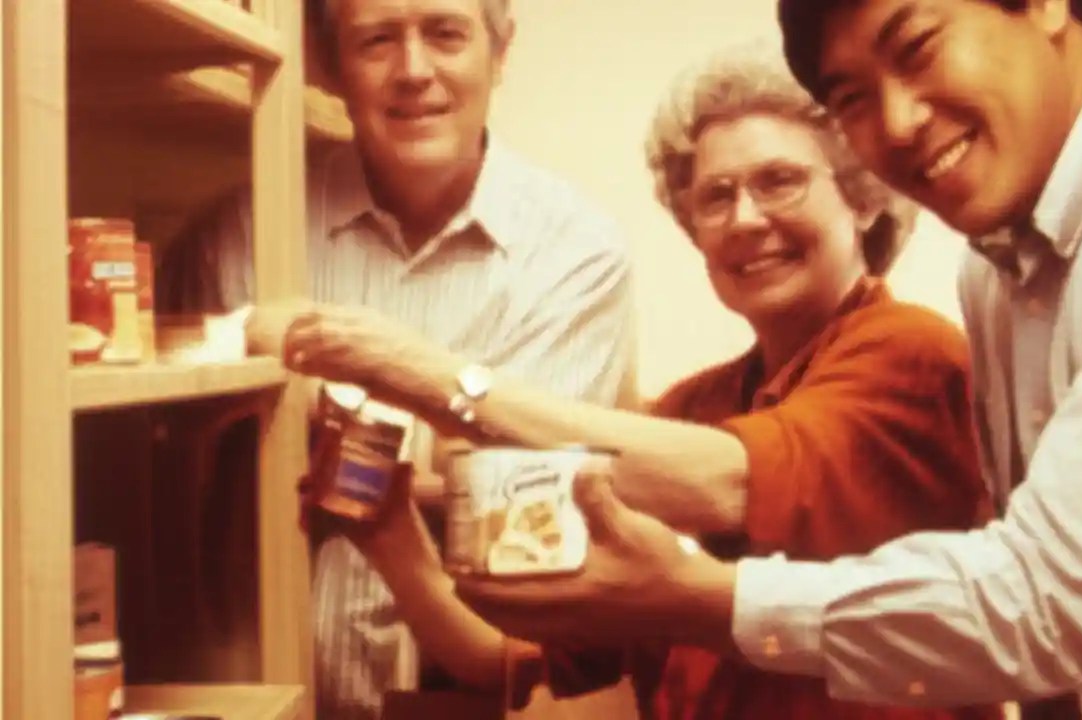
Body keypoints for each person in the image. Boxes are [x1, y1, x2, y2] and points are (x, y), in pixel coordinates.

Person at [446, 1, 1082, 719]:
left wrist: (437, 387)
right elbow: (529, 651)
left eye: (917, 47)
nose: (901, 120)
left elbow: (1037, 604)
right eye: (715, 197)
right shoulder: (995, 266)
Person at [264, 39, 1002, 720]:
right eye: (714, 197)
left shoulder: (913, 356)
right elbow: (503, 660)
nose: (744, 219)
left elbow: (729, 483)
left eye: (780, 182)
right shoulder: (696, 408)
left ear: (863, 197)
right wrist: (390, 533)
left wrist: (421, 373)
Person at [158, 0, 636, 718]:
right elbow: (175, 456)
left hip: (478, 698)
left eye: (446, 33)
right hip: (265, 697)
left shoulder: (577, 255)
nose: (415, 71)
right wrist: (441, 439)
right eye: (377, 40)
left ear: (499, 55)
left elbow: (523, 482)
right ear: (329, 68)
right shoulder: (237, 236)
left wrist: (308, 398)